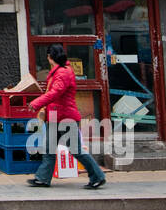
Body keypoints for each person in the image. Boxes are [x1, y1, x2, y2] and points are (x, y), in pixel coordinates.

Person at [26, 43, 107, 190]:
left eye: (48, 56)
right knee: (49, 149)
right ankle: (42, 178)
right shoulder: (58, 71)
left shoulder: (63, 72)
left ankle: (98, 176)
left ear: (50, 57)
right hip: (55, 117)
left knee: (76, 150)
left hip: (66, 118)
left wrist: (36, 103)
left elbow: (55, 93)